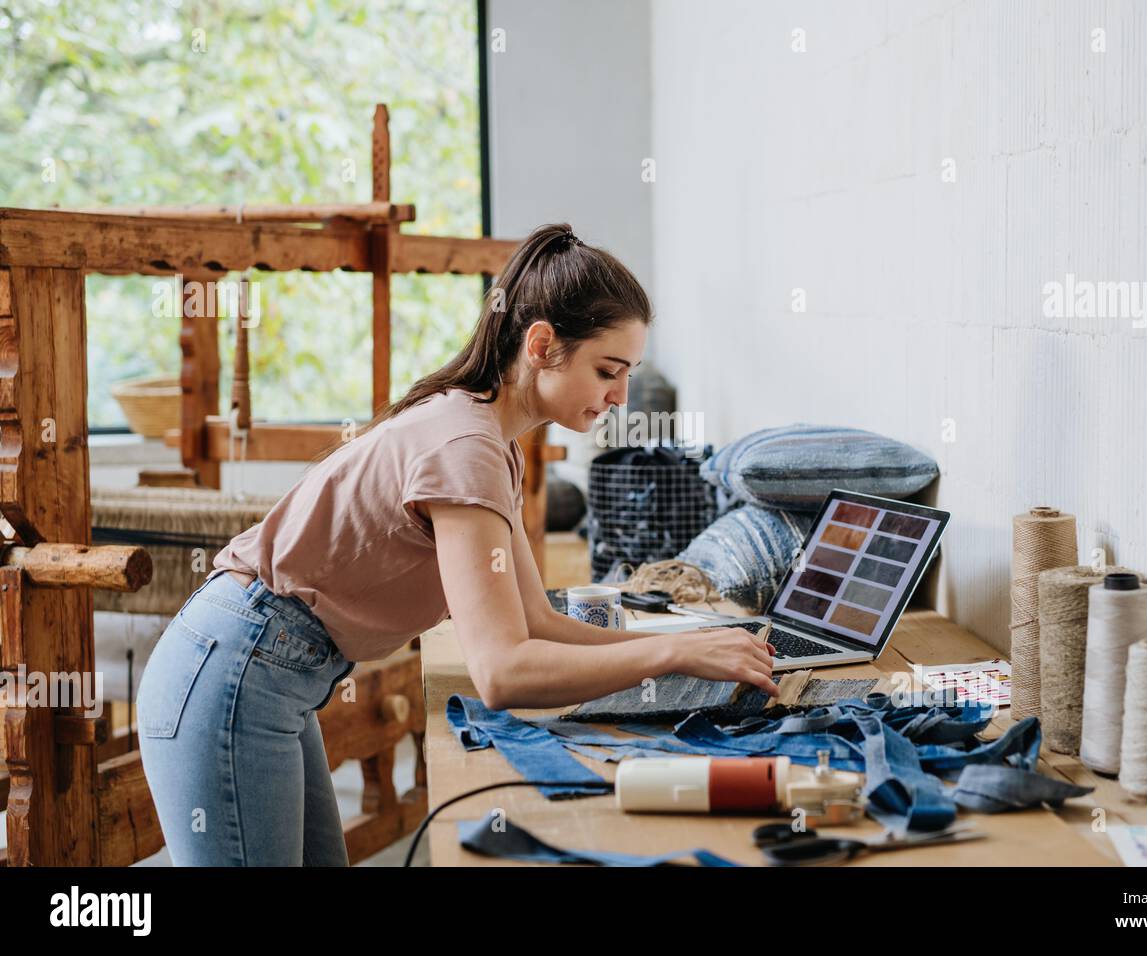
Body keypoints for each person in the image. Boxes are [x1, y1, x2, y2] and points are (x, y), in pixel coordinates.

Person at [136, 222, 777, 866]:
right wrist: (670, 653)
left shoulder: (492, 442)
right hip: (235, 671)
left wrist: (687, 649)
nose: (621, 395)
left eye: (629, 373)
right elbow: (503, 673)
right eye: (608, 370)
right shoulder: (467, 446)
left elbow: (538, 624)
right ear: (543, 344)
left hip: (271, 670)